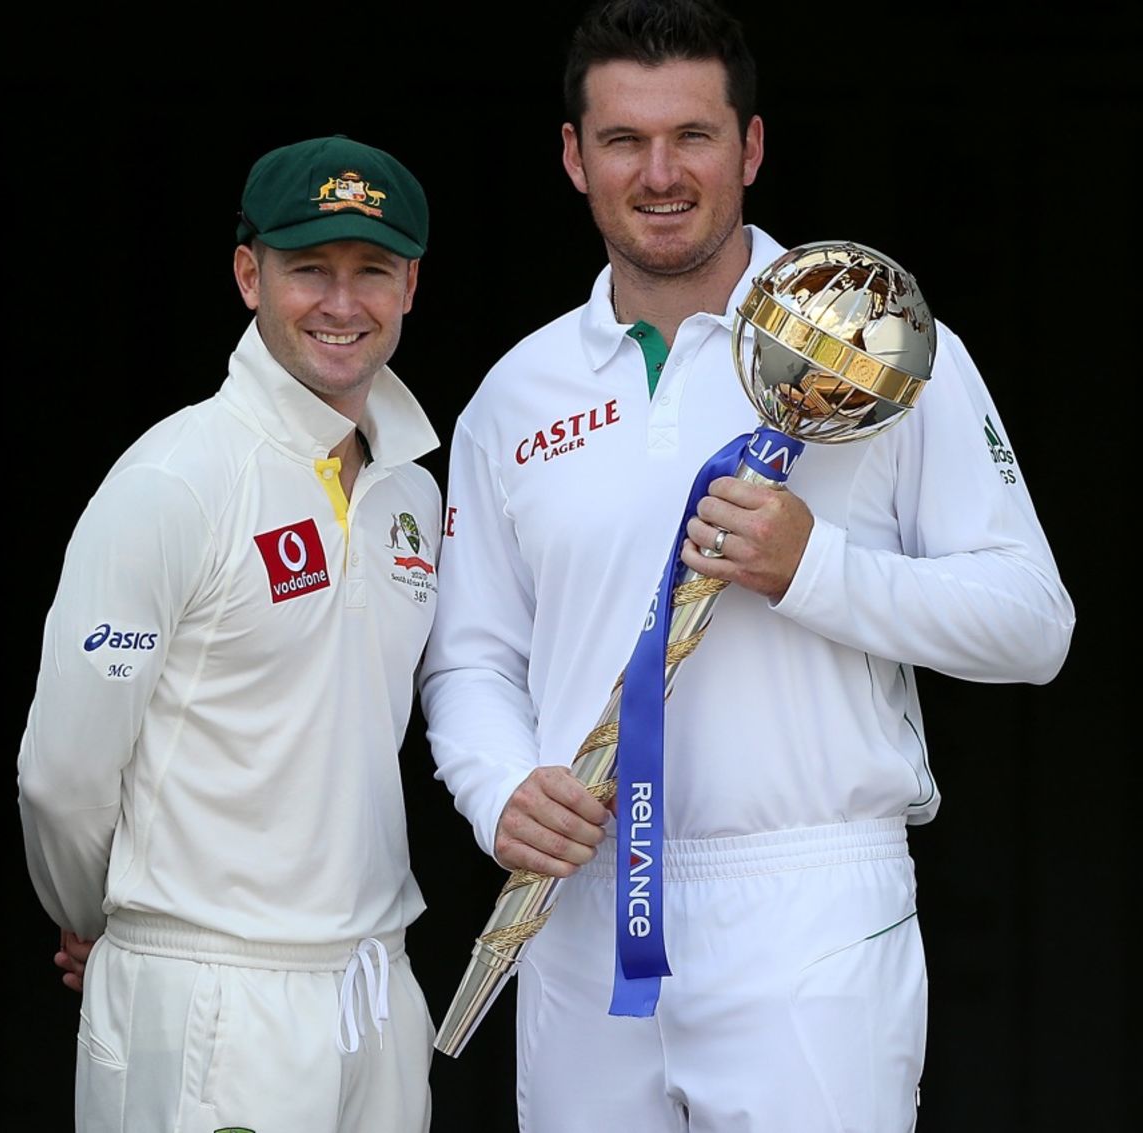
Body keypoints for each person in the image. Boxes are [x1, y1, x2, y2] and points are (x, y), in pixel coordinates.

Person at [418, 2, 1076, 1131]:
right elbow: (472, 657)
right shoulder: (515, 394)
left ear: (753, 147)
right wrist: (496, 790)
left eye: (694, 136)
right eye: (624, 140)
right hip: (580, 906)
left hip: (805, 902)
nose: (660, 172)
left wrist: (814, 567)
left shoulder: (871, 342)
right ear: (576, 158)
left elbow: (1032, 623)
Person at [17, 133, 441, 1133]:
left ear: (410, 285)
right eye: (309, 270)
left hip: (376, 979)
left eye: (371, 270)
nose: (343, 304)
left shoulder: (411, 488)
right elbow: (62, 775)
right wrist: (105, 916)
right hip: (212, 984)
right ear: (250, 274)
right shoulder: (176, 480)